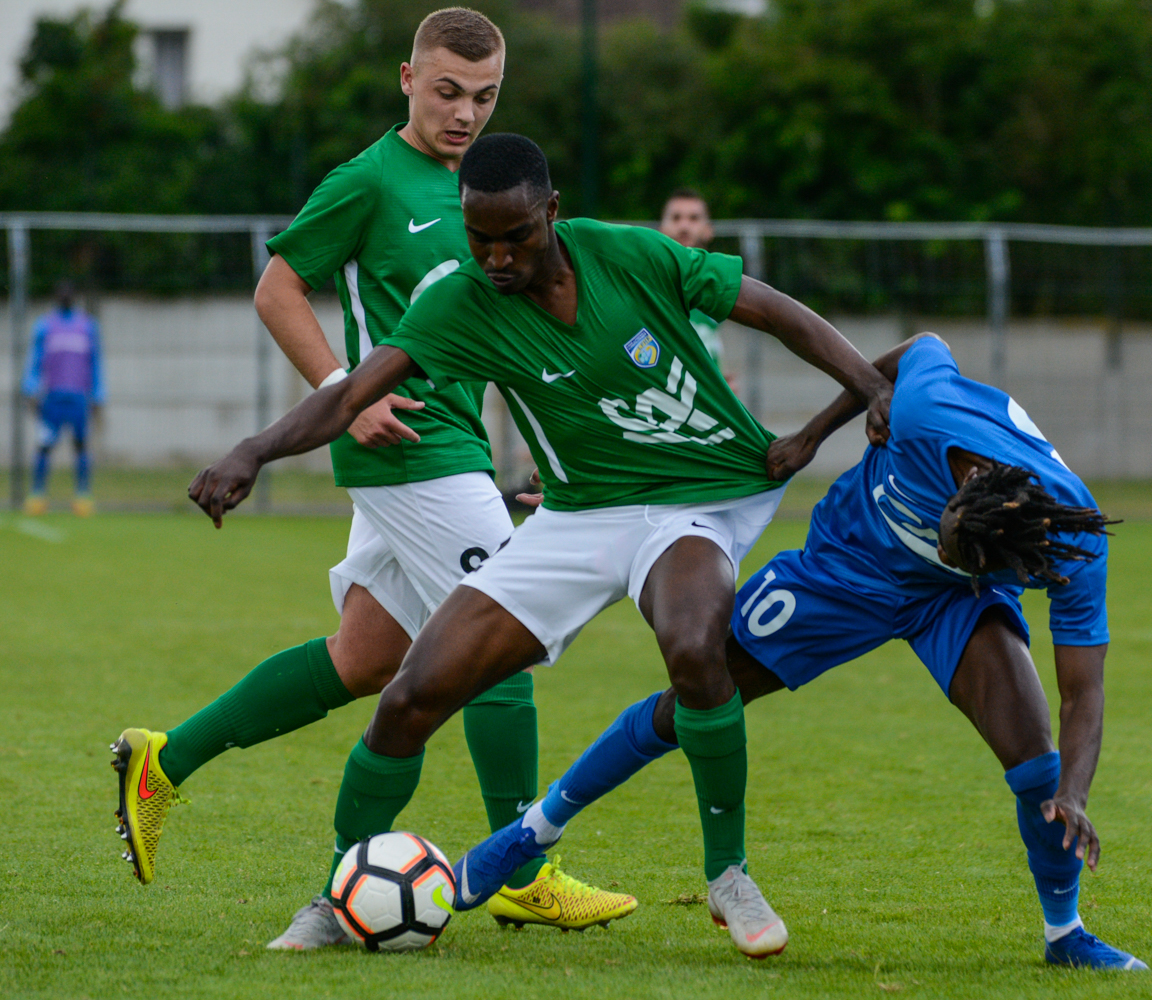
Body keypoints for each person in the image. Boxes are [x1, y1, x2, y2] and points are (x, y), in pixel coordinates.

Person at [188, 132, 893, 959]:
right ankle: (337, 897)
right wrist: (253, 452)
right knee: (410, 696)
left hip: (697, 500)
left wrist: (867, 386)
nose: (495, 258)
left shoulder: (630, 254)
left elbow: (773, 309)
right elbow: (350, 396)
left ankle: (729, 875)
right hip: (580, 516)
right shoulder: (458, 302)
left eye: (514, 236)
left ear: (551, 211)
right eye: (478, 237)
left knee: (694, 645)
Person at [108, 9, 634, 951]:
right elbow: (278, 287)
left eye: (484, 97)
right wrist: (341, 393)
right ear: (407, 79)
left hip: (453, 448)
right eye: (448, 92)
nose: (465, 113)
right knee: (502, 642)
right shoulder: (367, 180)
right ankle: (523, 875)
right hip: (405, 447)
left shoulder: (483, 191)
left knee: (365, 661)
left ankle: (165, 762)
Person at [459, 333, 1150, 971]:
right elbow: (919, 347)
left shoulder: (1071, 545)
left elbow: (1082, 691)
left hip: (952, 604)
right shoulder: (927, 411)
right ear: (967, 484)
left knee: (1037, 767)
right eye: (946, 540)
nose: (945, 552)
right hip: (847, 566)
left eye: (965, 558)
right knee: (696, 695)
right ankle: (532, 833)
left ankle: (1065, 934)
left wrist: (1075, 793)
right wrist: (815, 433)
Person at [23, 282, 104, 516]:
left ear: (74, 297)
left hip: (78, 398)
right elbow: (35, 360)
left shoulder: (87, 327)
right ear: (56, 297)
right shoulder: (45, 326)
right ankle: (38, 495)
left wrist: (98, 394)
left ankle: (82, 496)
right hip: (52, 398)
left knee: (81, 446)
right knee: (44, 445)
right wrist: (30, 388)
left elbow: (95, 363)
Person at [660, 190, 728, 374]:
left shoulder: (717, 288)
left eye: (694, 218)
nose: (684, 226)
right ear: (661, 229)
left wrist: (723, 379)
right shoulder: (645, 286)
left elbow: (711, 341)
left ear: (708, 230)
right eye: (676, 218)